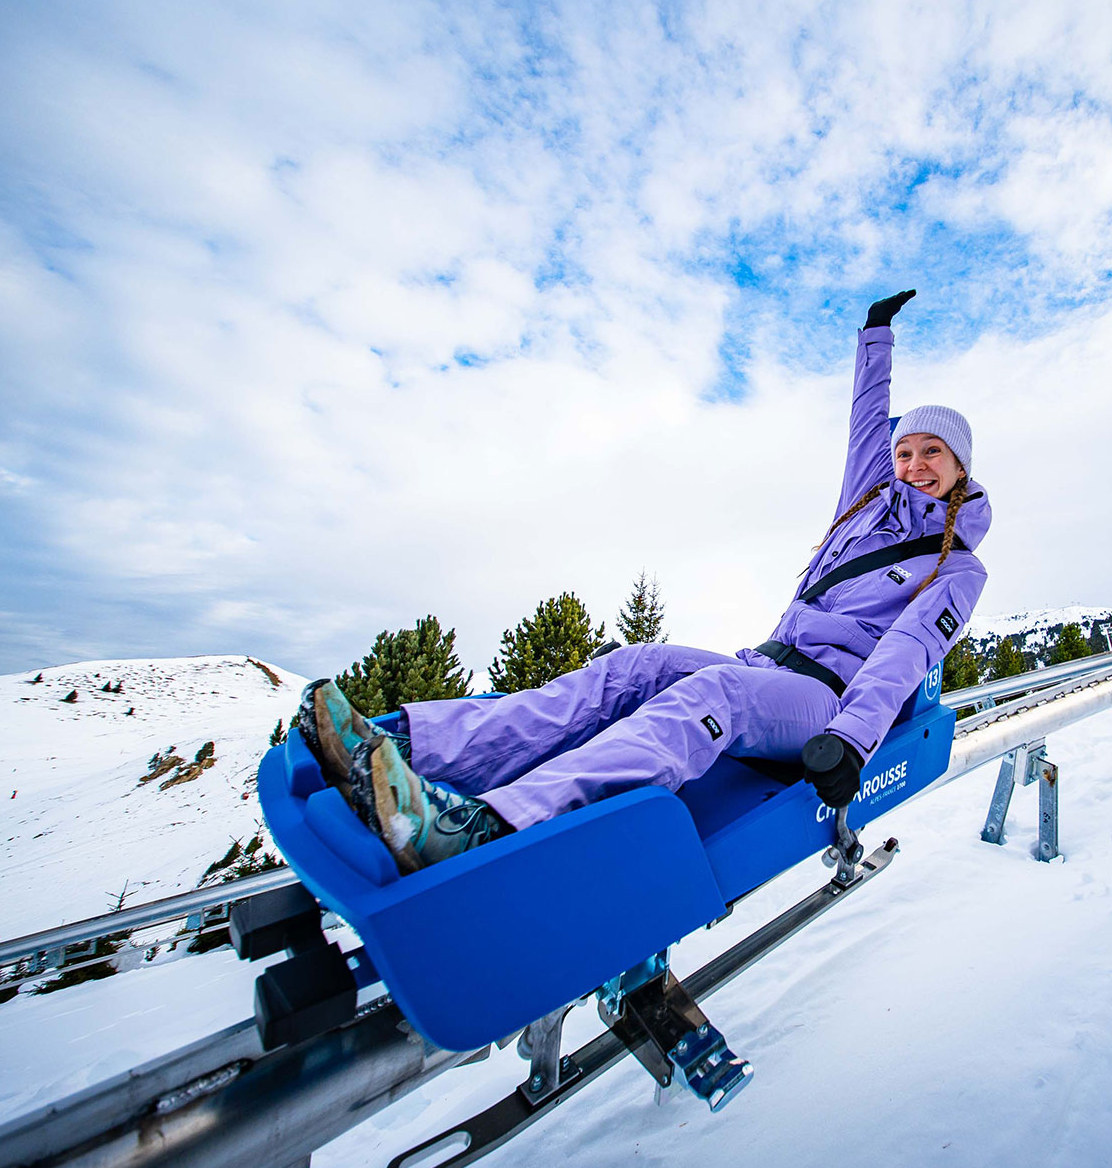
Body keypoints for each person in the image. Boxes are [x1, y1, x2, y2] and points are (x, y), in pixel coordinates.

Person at [297, 290, 991, 874]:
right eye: (906, 451)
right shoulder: (866, 501)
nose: (915, 463)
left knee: (713, 693)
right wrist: (876, 336)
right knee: (637, 664)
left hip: (824, 700)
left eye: (934, 453)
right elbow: (865, 420)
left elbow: (905, 658)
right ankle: (414, 751)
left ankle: (496, 826)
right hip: (767, 666)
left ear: (960, 466)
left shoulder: (957, 566)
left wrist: (854, 741)